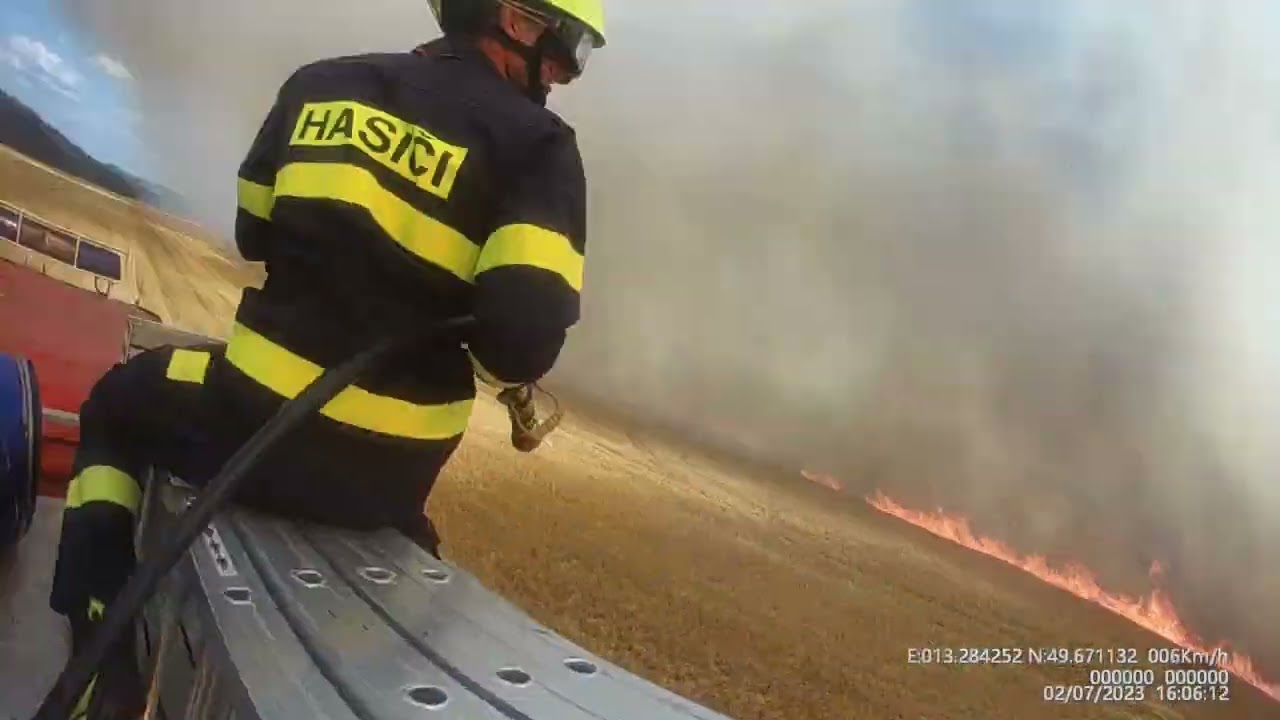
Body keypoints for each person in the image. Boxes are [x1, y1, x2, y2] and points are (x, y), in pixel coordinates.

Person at [48, 0, 605, 715]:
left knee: (120, 398)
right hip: (389, 474)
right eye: (567, 50)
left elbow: (254, 231)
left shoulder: (319, 84)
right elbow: (521, 345)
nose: (563, 74)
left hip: (242, 417)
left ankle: (99, 637)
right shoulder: (540, 148)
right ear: (516, 20)